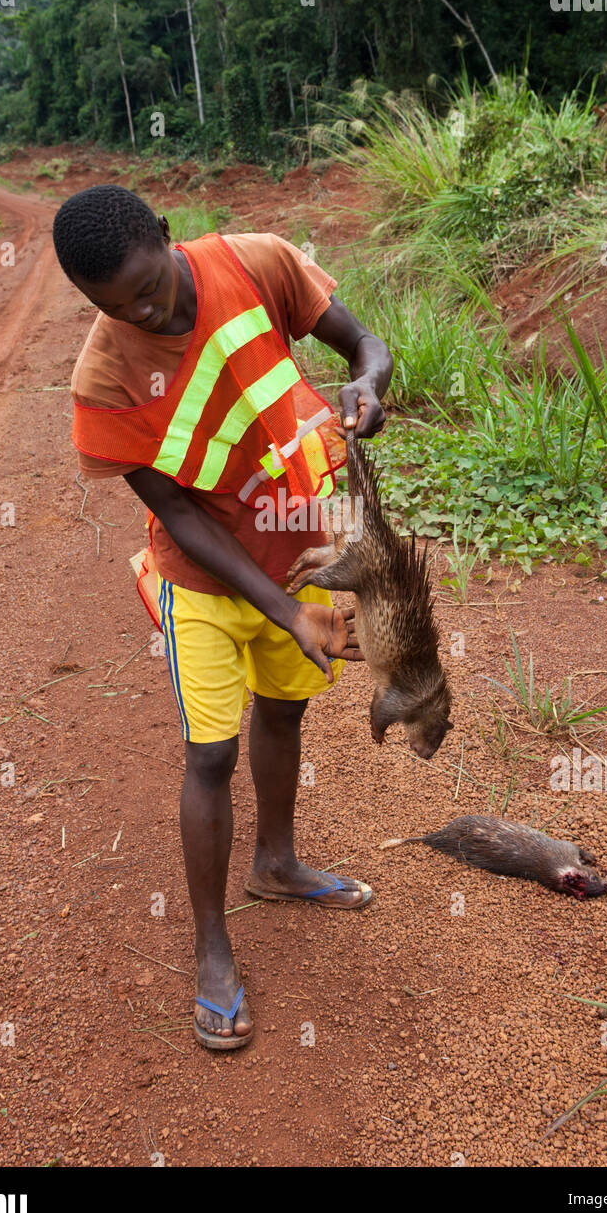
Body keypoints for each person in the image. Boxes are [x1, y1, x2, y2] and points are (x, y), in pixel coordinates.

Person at [52, 185, 393, 1049]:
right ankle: (211, 946)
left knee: (286, 708)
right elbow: (182, 516)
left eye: (148, 287)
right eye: (113, 306)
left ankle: (276, 864)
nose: (141, 313)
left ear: (166, 236)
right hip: (204, 583)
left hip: (300, 541)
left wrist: (367, 385)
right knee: (210, 754)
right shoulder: (104, 379)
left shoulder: (258, 261)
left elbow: (361, 340)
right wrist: (282, 612)